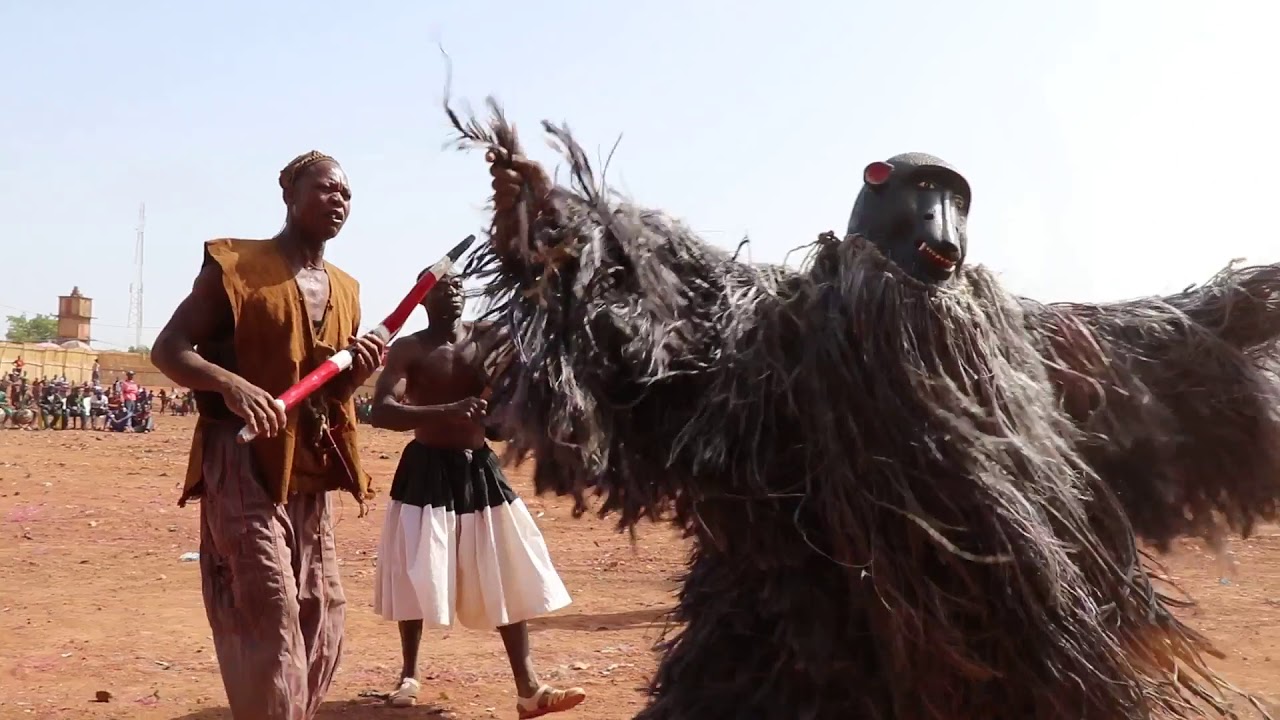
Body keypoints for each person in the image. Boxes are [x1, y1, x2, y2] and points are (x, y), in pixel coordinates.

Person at [447, 104, 1280, 718]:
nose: (935, 237)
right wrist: (554, 235)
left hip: (993, 670)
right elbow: (656, 303)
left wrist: (1258, 298)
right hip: (785, 653)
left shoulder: (1029, 343)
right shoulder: (781, 321)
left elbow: (1182, 342)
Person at [152, 150, 385, 720]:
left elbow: (329, 393)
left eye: (347, 195)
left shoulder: (347, 289)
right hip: (243, 461)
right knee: (269, 603)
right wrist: (231, 384)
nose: (338, 201)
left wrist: (360, 369)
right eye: (325, 189)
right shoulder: (235, 268)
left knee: (321, 613)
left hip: (308, 469)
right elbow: (169, 349)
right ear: (289, 194)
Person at [370, 273, 585, 718]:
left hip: (478, 467)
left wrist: (506, 414)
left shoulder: (488, 340)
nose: (453, 291)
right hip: (425, 468)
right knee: (416, 568)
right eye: (442, 286)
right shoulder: (410, 348)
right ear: (422, 297)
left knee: (503, 564)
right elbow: (382, 411)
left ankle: (529, 689)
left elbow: (507, 408)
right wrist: (447, 410)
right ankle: (409, 675)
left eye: (459, 285)